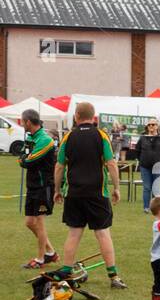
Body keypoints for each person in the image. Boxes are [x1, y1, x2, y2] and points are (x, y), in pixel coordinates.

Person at [52, 101, 126, 289]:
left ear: (76, 116)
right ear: (94, 118)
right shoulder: (101, 135)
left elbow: (59, 166)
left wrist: (57, 191)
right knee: (102, 233)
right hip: (97, 193)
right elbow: (110, 163)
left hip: (74, 193)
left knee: (74, 233)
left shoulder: (68, 137)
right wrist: (116, 188)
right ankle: (114, 276)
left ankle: (66, 271)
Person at [18, 108, 58, 269]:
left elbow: (29, 161)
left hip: (44, 186)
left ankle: (41, 259)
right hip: (32, 186)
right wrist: (24, 159)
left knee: (40, 222)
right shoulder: (30, 138)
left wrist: (25, 159)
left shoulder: (45, 140)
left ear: (28, 122)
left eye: (22, 121)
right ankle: (51, 252)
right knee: (29, 222)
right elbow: (21, 157)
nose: (21, 124)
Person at [135, 120, 160, 212]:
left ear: (157, 126)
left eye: (153, 124)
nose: (151, 126)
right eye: (149, 124)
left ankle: (156, 208)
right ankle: (146, 207)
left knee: (157, 188)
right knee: (147, 187)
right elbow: (137, 151)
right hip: (145, 167)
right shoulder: (142, 138)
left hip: (159, 168)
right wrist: (143, 160)